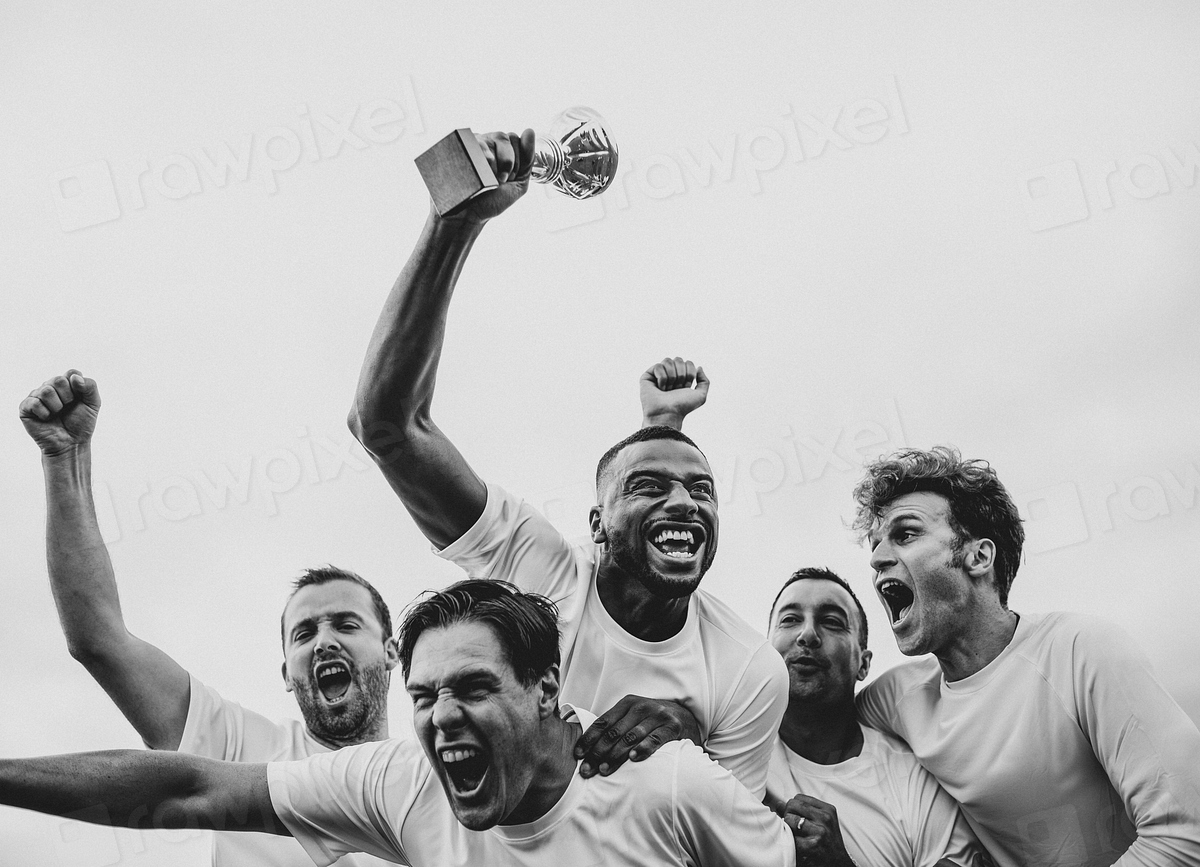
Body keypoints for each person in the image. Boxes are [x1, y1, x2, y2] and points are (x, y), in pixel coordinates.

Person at [347, 127, 787, 795]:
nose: (686, 502)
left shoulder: (748, 668)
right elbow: (387, 423)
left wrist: (687, 748)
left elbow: (732, 841)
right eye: (650, 486)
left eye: (704, 490)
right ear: (595, 525)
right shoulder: (542, 573)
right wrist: (455, 222)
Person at [0, 580, 797, 867]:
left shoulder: (671, 783)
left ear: (548, 686)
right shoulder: (400, 782)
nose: (444, 716)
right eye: (426, 695)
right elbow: (191, 789)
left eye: (475, 688)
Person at [18, 370, 402, 867]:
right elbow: (99, 639)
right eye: (303, 634)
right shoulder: (241, 747)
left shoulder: (437, 788)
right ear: (287, 673)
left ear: (393, 651)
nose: (323, 642)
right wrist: (63, 457)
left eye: (346, 625)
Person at [852, 446, 1200, 866]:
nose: (878, 559)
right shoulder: (895, 701)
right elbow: (811, 728)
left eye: (906, 534)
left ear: (978, 556)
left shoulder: (1082, 651)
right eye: (876, 545)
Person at [766, 567, 991, 867]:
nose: (807, 634)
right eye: (790, 620)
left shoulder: (912, 777)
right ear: (764, 651)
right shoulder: (727, 747)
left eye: (831, 622)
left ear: (863, 663)